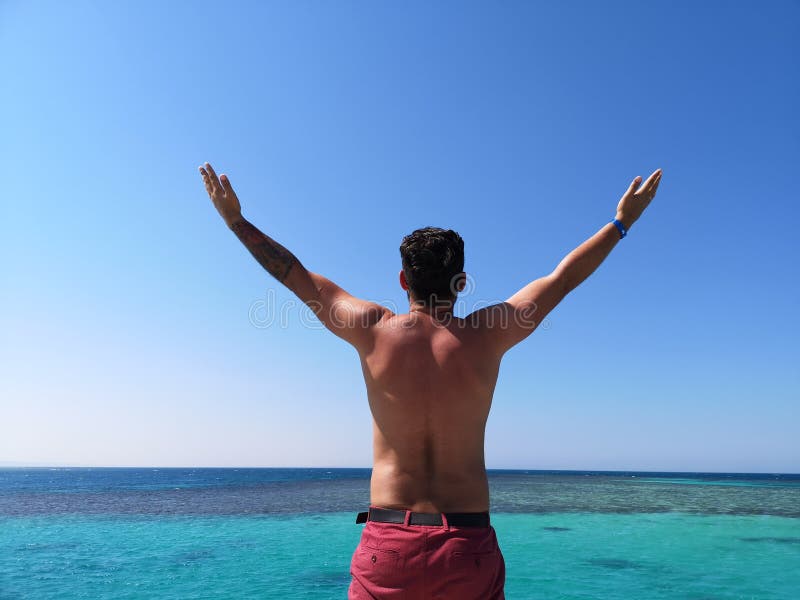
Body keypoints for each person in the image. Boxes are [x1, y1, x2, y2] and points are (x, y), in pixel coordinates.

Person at [199, 162, 663, 599]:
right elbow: (562, 279)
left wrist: (235, 221)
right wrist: (622, 223)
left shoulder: (372, 331)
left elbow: (298, 277)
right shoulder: (488, 334)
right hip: (467, 544)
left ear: (403, 279)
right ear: (461, 282)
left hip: (388, 545)